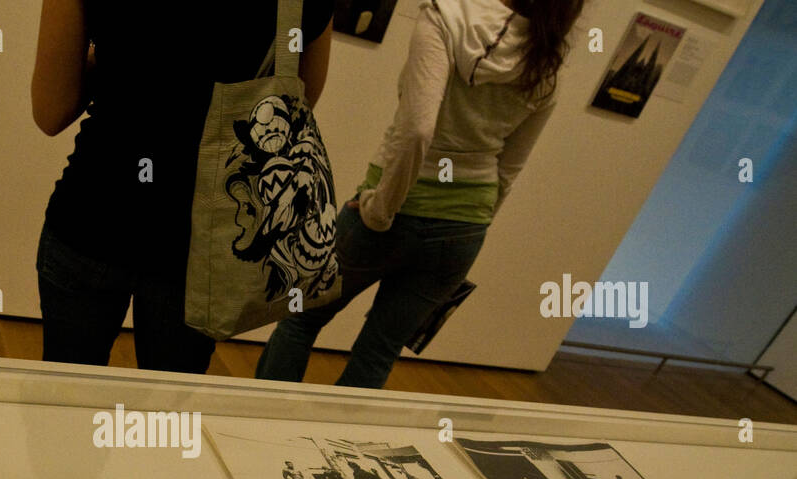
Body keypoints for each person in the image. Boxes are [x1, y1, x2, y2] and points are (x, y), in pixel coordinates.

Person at [257, 0, 584, 388]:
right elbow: (510, 167)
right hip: (465, 227)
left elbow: (417, 131)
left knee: (301, 319)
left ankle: (261, 429)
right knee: (379, 350)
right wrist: (471, 222)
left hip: (388, 211)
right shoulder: (548, 58)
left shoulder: (445, 17)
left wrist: (380, 209)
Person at [31, 0, 335, 373]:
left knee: (63, 403)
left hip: (94, 215)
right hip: (202, 248)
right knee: (166, 423)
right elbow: (296, 105)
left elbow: (50, 110)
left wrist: (118, 61)